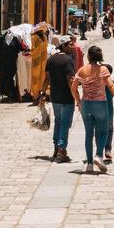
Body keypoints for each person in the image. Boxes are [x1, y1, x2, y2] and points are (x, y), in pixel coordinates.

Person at [74, 45, 114, 174]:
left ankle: (90, 164)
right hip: (100, 104)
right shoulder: (103, 69)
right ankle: (99, 155)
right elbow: (111, 86)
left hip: (86, 104)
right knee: (104, 131)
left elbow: (73, 87)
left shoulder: (81, 70)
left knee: (88, 134)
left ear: (89, 56)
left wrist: (78, 101)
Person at [46, 35, 77, 163]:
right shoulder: (68, 60)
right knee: (65, 124)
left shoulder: (51, 59)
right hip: (66, 97)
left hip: (55, 97)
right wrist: (77, 97)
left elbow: (47, 77)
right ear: (63, 45)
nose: (73, 46)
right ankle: (61, 150)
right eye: (70, 44)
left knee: (58, 122)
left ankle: (56, 148)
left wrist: (44, 93)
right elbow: (70, 81)